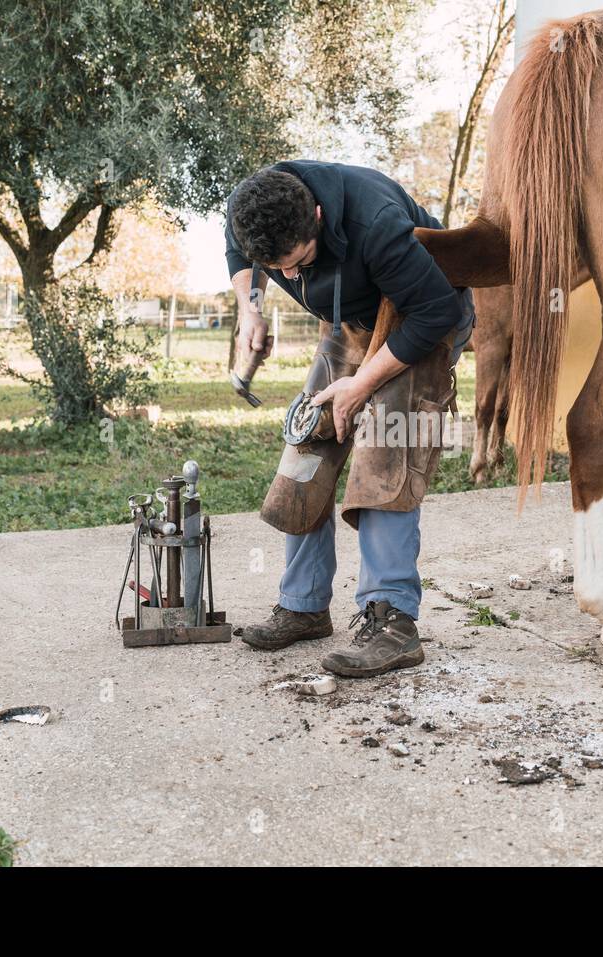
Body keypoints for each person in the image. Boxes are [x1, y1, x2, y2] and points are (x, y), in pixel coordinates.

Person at [225, 160, 474, 678]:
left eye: (298, 262)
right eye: (279, 269)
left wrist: (362, 386)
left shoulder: (374, 222)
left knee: (385, 448)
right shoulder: (256, 208)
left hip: (419, 318)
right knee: (307, 446)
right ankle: (304, 605)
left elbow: (435, 312)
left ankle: (393, 623)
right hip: (351, 323)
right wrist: (251, 308)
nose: (290, 277)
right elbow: (240, 252)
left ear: (316, 217)